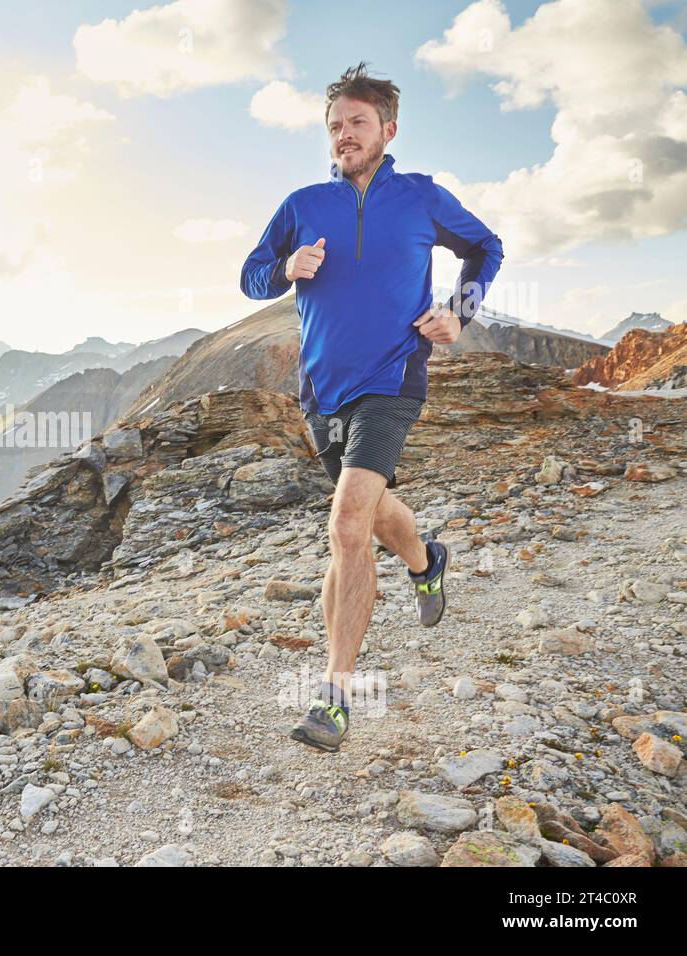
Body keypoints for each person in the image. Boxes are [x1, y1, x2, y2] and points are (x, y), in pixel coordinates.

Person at [239, 62, 504, 752]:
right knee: (375, 515)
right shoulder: (303, 204)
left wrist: (459, 310)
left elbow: (485, 247)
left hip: (394, 376)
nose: (344, 135)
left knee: (349, 527)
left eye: (357, 123)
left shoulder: (420, 197)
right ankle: (425, 562)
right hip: (321, 390)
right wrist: (283, 268)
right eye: (335, 126)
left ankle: (333, 695)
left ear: (388, 128)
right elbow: (249, 274)